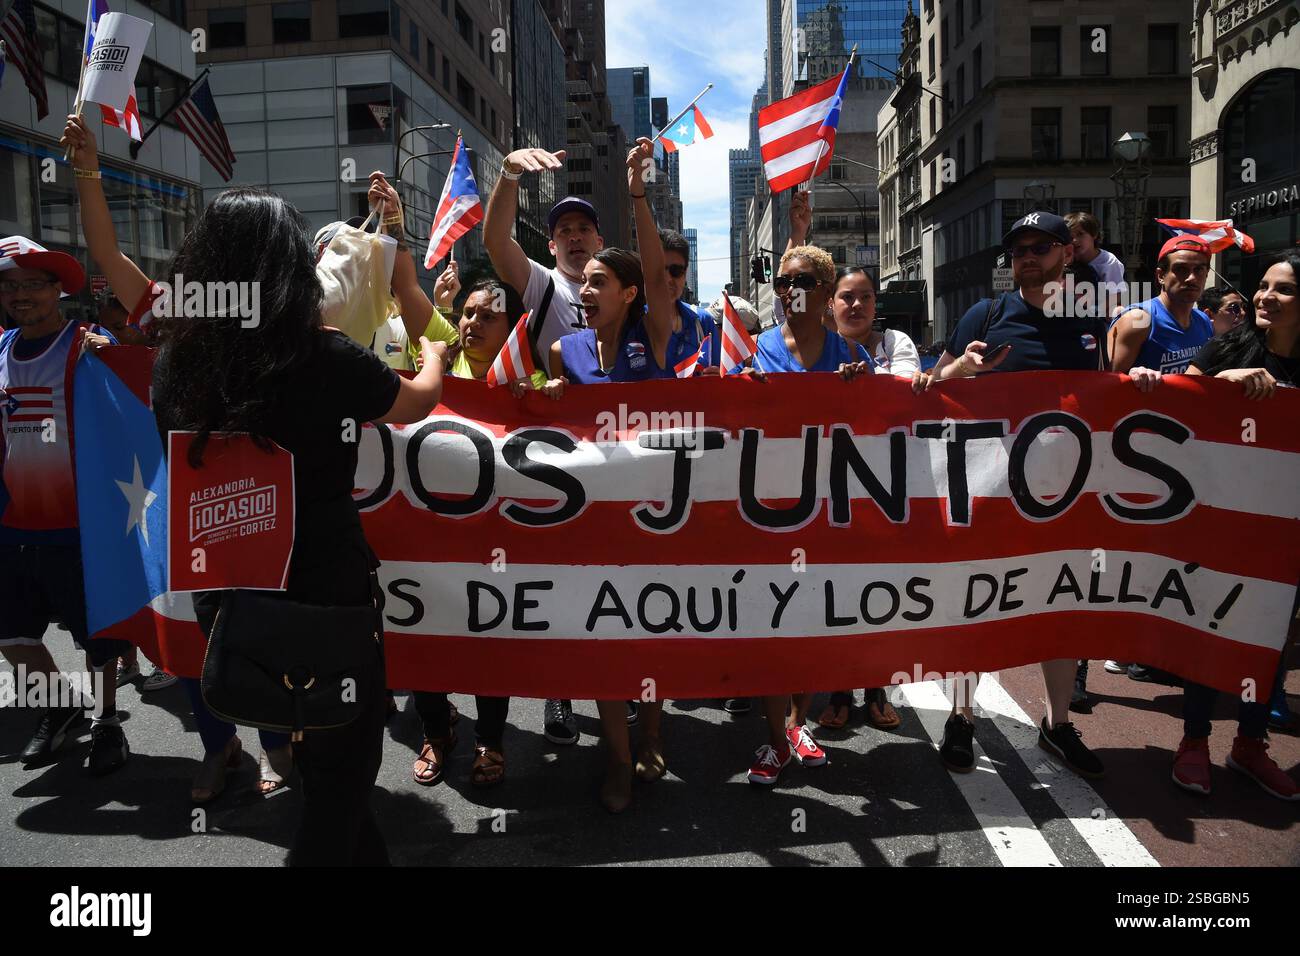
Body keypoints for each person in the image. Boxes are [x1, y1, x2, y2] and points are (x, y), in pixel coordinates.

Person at [915, 211, 1115, 780]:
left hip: (1067, 491)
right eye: (1019, 248)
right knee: (975, 601)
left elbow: (1112, 387)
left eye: (1042, 246)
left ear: (1067, 253)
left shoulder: (1092, 317)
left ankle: (1056, 725)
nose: (1029, 256)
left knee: (1063, 604)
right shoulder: (988, 314)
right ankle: (961, 716)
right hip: (993, 492)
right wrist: (958, 368)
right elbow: (931, 389)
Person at [366, 171, 542, 788]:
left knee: (491, 646)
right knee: (428, 640)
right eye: (465, 314)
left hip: (499, 546)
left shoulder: (535, 380)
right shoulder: (441, 354)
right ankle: (437, 737)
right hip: (432, 539)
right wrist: (394, 228)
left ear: (511, 327)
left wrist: (547, 400)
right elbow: (410, 291)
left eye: (485, 317)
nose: (470, 324)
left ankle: (491, 742)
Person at [539, 137, 676, 813]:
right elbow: (538, 427)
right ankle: (618, 759)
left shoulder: (654, 337)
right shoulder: (564, 350)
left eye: (598, 283)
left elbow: (657, 273)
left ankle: (652, 736)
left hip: (653, 518)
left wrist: (638, 195)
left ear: (626, 293)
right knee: (603, 642)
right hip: (592, 525)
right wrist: (549, 399)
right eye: (581, 282)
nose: (584, 291)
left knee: (648, 633)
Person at [1134, 248, 1299, 800]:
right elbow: (1179, 403)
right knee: (1214, 624)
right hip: (1222, 519)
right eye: (1264, 287)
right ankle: (1195, 741)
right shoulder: (1230, 344)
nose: (1265, 297)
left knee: (1270, 635)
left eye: (1282, 290)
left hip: (1285, 528)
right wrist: (1223, 379)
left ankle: (1251, 744)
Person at [741, 239, 875, 785]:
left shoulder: (851, 355)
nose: (790, 291)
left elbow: (878, 430)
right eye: (783, 283)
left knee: (809, 622)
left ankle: (799, 720)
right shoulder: (754, 349)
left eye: (803, 283)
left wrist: (858, 393)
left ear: (825, 293)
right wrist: (738, 390)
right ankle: (774, 741)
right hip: (768, 506)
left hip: (826, 509)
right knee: (773, 626)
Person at [485, 144, 604, 746]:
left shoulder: (623, 293)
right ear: (552, 245)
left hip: (619, 460)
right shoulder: (544, 286)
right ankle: (559, 695)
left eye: (585, 228)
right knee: (557, 577)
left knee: (613, 574)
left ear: (600, 243)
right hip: (559, 461)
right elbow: (497, 243)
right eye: (564, 231)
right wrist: (507, 174)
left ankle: (619, 688)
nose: (575, 238)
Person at [0, 235, 133, 775]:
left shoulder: (86, 344)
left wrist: (116, 356)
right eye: (10, 286)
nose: (20, 295)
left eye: (33, 284)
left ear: (58, 289)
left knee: (98, 637)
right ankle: (58, 708)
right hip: (12, 524)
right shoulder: (2, 349)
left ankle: (105, 724)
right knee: (11, 634)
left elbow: (131, 402)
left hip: (81, 524)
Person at [1066, 211, 1126, 318]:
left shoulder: (1109, 261)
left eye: (1080, 234)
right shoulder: (1066, 258)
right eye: (1070, 237)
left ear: (1094, 235)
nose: (1074, 240)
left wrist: (1093, 313)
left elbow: (1115, 295)